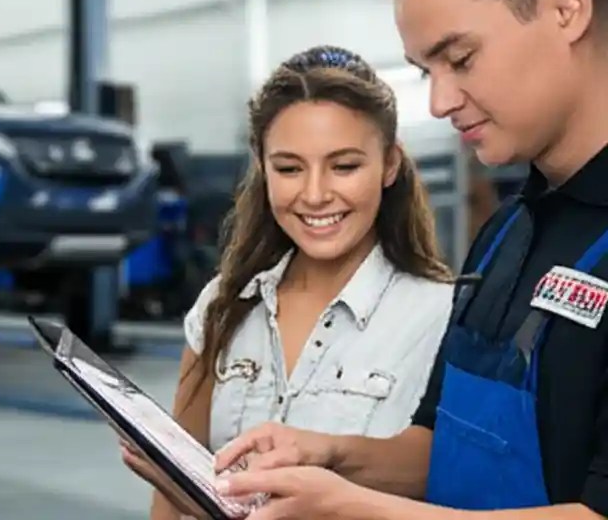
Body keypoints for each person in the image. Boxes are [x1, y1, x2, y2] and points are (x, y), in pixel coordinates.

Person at [201, 0, 608, 519]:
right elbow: (438, 448)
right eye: (426, 71)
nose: (442, 100)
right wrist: (327, 454)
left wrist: (347, 509)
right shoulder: (505, 235)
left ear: (567, 6)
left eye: (461, 59)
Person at [123, 44, 456, 519]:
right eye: (289, 168)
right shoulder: (223, 306)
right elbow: (173, 500)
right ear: (262, 167)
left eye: (344, 166)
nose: (315, 194)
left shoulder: (443, 318)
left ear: (390, 164)